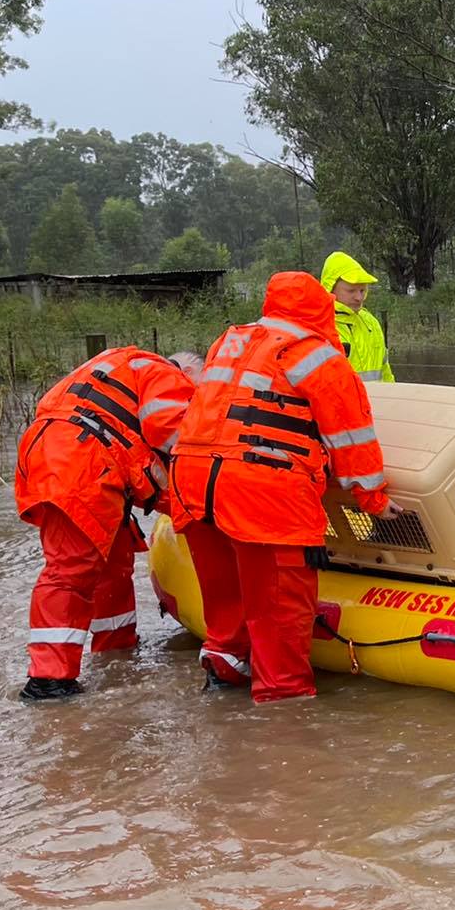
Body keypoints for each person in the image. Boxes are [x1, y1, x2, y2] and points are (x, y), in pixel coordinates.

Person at [168, 271, 402, 702]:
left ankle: (224, 673)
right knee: (280, 608)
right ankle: (284, 713)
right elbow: (352, 437)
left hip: (192, 482)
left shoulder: (232, 340)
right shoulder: (316, 356)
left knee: (226, 599)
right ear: (322, 309)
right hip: (261, 489)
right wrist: (374, 500)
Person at [15, 347, 204, 700]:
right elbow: (177, 439)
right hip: (80, 458)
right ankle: (48, 679)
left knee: (114, 561)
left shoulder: (127, 367)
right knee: (70, 569)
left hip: (70, 452)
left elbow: (141, 453)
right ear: (190, 371)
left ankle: (116, 650)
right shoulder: (162, 373)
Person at [321, 250, 395, 382]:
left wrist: (394, 399)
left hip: (377, 401)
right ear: (330, 288)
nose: (359, 297)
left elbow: (385, 371)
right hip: (340, 403)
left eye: (362, 290)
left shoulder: (370, 322)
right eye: (351, 291)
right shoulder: (319, 326)